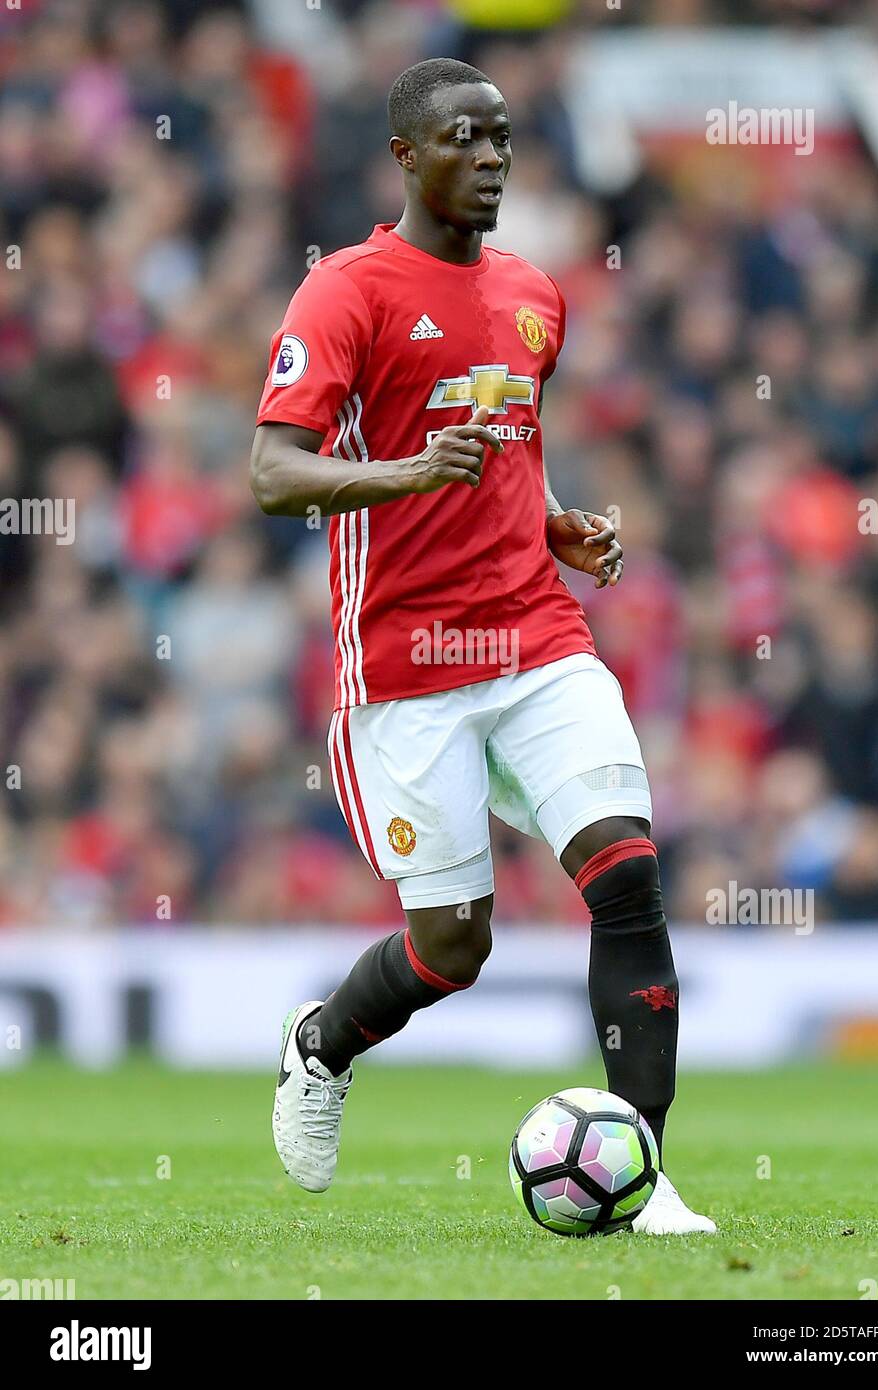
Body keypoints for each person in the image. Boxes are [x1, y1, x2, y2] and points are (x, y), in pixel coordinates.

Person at [250, 57, 715, 1235]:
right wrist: (406, 474)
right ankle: (320, 1046)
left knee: (627, 875)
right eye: (467, 139)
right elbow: (271, 472)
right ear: (407, 156)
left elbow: (510, 449)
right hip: (405, 670)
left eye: (503, 139)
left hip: (537, 638)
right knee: (453, 947)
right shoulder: (344, 292)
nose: (494, 159)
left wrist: (557, 524)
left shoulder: (533, 293)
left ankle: (645, 1167)